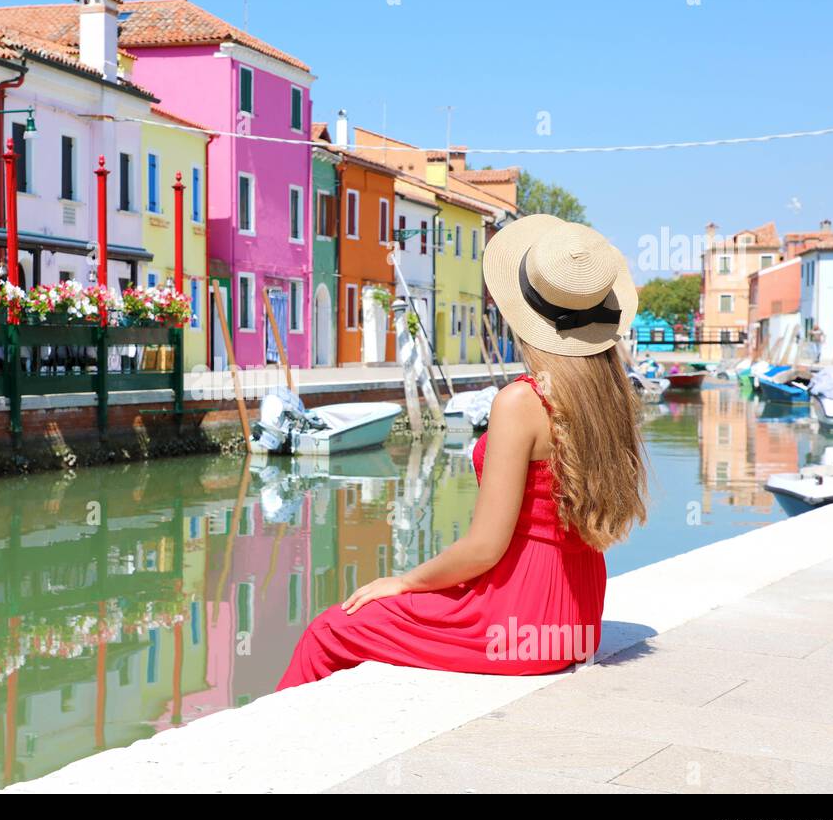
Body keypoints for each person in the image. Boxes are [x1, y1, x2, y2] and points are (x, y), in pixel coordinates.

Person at [276, 215, 648, 691]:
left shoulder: (522, 401)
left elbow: (483, 548)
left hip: (517, 619)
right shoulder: (607, 397)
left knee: (329, 630)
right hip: (577, 618)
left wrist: (404, 582)